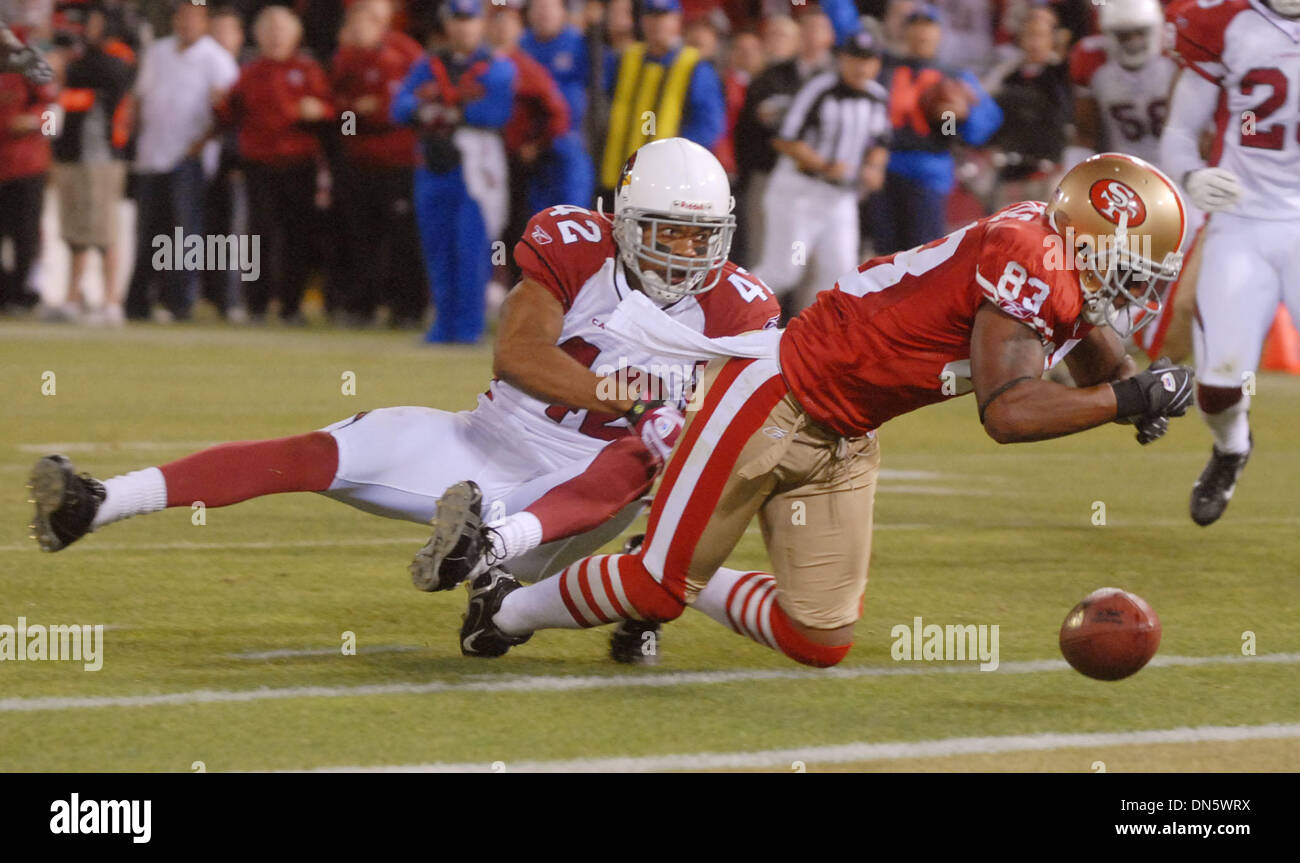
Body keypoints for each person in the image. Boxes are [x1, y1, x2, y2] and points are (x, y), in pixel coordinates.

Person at [26, 140, 779, 668]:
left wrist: (671, 423)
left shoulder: (741, 308)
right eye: (666, 234)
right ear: (621, 222)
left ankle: (550, 578)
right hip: (489, 438)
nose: (682, 255)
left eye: (698, 238)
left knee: (647, 462)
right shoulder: (573, 244)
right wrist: (631, 394)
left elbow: (749, 420)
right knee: (321, 450)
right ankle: (96, 503)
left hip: (579, 492)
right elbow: (517, 355)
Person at [446, 153, 1197, 665]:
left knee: (819, 635)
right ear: (1079, 244)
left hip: (845, 430)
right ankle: (504, 607)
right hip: (774, 397)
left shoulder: (1056, 254)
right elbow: (1006, 410)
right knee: (653, 590)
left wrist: (1127, 387)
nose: (1132, 288)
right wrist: (1125, 395)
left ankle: (674, 554)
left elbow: (1086, 325)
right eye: (1124, 269)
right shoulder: (1027, 252)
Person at [1161, 0, 1300, 526]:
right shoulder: (1224, 22)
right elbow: (1178, 132)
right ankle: (1232, 448)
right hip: (1241, 222)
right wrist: (1193, 177)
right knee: (1218, 383)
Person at [392, 0, 514, 344]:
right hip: (433, 161)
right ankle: (443, 324)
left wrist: (439, 111)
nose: (462, 28)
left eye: (469, 20)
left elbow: (494, 110)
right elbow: (399, 106)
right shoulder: (428, 64)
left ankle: (468, 326)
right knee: (437, 244)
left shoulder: (495, 65)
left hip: (477, 163)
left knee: (472, 245)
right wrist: (438, 111)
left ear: (481, 24)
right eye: (456, 20)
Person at [752, 30, 891, 317]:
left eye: (868, 60)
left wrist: (874, 167)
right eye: (854, 59)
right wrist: (824, 165)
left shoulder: (877, 97)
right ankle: (728, 319)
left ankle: (812, 346)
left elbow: (880, 142)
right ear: (841, 59)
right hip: (799, 191)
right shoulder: (820, 89)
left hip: (840, 197)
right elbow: (784, 138)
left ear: (877, 64)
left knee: (840, 276)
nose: (861, 67)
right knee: (784, 271)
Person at [215, 6, 333, 325]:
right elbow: (230, 117)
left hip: (298, 163)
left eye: (282, 29)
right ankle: (255, 305)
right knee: (259, 234)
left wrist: (320, 110)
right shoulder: (250, 73)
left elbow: (334, 113)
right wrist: (219, 104)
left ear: (296, 35)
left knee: (296, 235)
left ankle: (291, 307)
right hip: (259, 164)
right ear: (259, 37)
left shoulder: (308, 70)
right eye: (270, 30)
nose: (276, 36)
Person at [125, 1, 239, 323]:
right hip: (151, 155)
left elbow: (227, 111)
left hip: (189, 160)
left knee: (184, 235)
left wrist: (200, 145)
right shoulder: (158, 52)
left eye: (194, 16)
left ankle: (180, 303)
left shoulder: (217, 59)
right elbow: (139, 97)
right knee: (146, 232)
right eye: (182, 15)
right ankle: (138, 303)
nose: (187, 22)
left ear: (205, 21)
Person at [871, 3, 1002, 254]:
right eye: (916, 28)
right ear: (905, 32)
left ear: (939, 34)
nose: (922, 35)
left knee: (924, 254)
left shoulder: (953, 76)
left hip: (928, 169)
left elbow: (971, 130)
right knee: (884, 256)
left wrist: (954, 116)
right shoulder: (886, 69)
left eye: (928, 28)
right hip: (886, 168)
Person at [330, 0, 425, 328]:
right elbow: (339, 118)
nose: (358, 30)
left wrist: (366, 112)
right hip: (359, 162)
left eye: (365, 23)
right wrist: (357, 113)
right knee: (361, 237)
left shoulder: (401, 54)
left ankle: (407, 308)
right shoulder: (344, 60)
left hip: (399, 162)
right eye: (353, 23)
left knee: (403, 237)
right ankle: (362, 306)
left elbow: (399, 113)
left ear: (381, 23)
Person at [733, 7, 835, 268]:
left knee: (812, 263)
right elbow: (750, 126)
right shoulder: (771, 75)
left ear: (831, 36)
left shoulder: (839, 80)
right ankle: (761, 310)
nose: (812, 35)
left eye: (819, 28)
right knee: (764, 254)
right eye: (807, 28)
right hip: (768, 174)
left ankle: (807, 311)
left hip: (822, 183)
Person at [49, 5, 132, 324]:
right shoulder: (77, 61)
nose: (87, 28)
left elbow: (98, 82)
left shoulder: (116, 58)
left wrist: (62, 70)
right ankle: (72, 298)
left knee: (103, 230)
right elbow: (56, 107)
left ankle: (112, 302)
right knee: (76, 231)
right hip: (71, 154)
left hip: (99, 156)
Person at [597, 0, 726, 195]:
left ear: (677, 21)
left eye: (664, 16)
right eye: (651, 15)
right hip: (615, 176)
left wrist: (677, 159)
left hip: (666, 183)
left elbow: (708, 126)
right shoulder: (624, 59)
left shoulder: (694, 66)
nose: (657, 23)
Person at [0, 25, 56, 313]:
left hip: (26, 164)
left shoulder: (30, 63)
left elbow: (55, 114)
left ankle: (24, 295)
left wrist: (34, 122)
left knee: (25, 235)